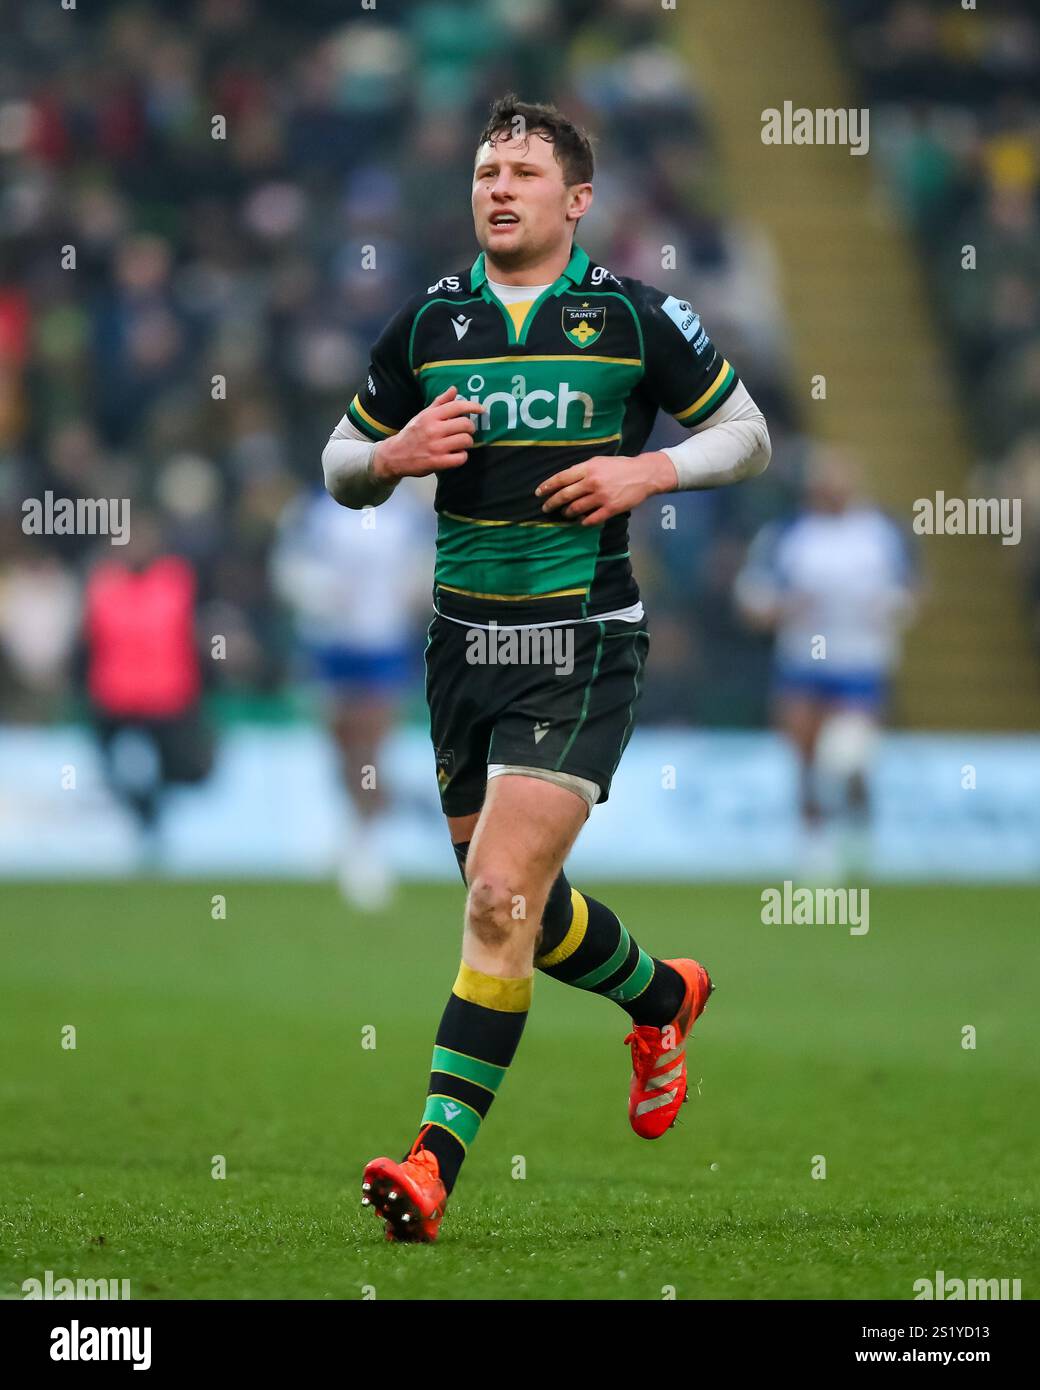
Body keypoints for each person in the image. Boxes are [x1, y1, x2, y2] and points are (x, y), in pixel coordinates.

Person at [322, 95, 771, 1242]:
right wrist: (388, 454)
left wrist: (647, 474)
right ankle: (662, 996)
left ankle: (430, 1162)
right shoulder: (427, 321)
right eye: (484, 170)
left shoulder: (629, 316)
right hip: (459, 651)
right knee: (514, 903)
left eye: (522, 170)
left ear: (576, 200)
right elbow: (335, 460)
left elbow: (745, 433)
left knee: (492, 901)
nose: (497, 187)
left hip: (579, 643)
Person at [735, 448, 918, 873]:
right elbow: (753, 598)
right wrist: (782, 608)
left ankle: (859, 825)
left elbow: (909, 589)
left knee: (848, 755)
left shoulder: (880, 533)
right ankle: (814, 841)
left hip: (861, 661)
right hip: (803, 661)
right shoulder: (788, 533)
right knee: (806, 754)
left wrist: (892, 608)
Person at [270, 483, 433, 910]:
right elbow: (289, 566)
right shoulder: (313, 507)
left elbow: (426, 564)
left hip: (383, 642)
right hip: (329, 641)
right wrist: (316, 592)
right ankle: (358, 825)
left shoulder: (404, 512)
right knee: (342, 746)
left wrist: (410, 595)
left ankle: (367, 844)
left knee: (372, 743)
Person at [83, 512, 213, 852]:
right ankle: (145, 818)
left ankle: (154, 817)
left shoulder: (177, 581)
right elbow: (89, 643)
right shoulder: (103, 583)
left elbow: (194, 637)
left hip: (167, 698)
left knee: (182, 768)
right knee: (112, 771)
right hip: (116, 698)